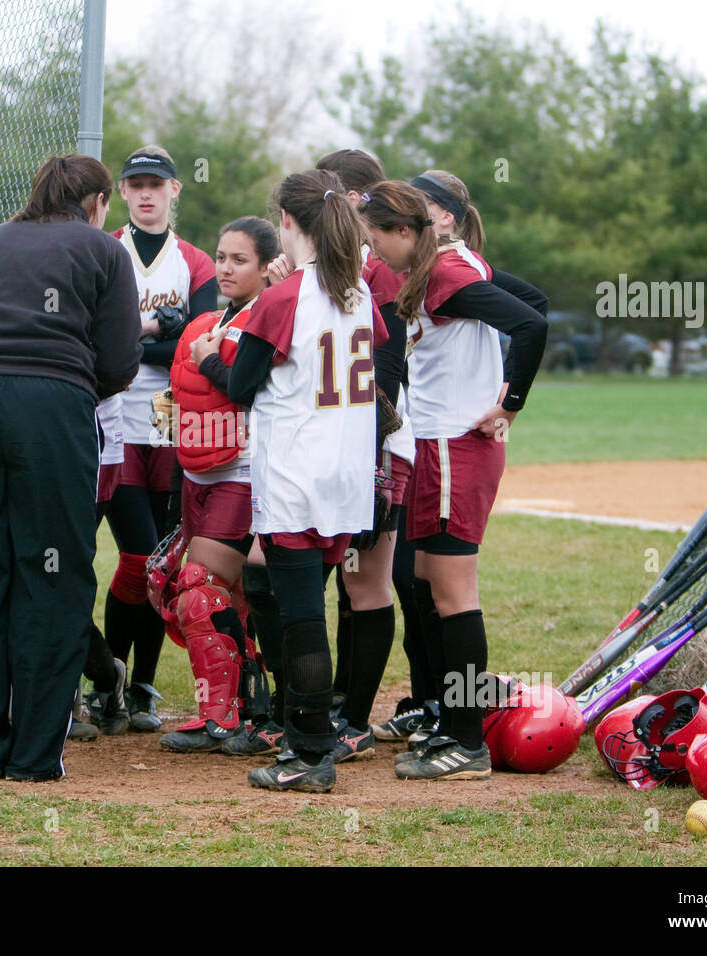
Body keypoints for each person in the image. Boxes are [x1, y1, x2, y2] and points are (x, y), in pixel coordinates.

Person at [0, 153, 141, 782]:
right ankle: (35, 754)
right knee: (51, 573)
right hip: (49, 408)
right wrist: (68, 385)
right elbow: (121, 358)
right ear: (98, 201)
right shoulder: (103, 250)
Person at [359, 175, 548, 781]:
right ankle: (448, 718)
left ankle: (467, 741)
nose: (376, 253)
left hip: (455, 448)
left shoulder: (446, 274)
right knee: (423, 585)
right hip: (436, 448)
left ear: (406, 231)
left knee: (451, 594)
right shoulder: (432, 268)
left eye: (378, 239)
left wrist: (509, 402)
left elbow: (531, 323)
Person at [227, 169, 386, 793]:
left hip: (296, 474)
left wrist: (214, 357)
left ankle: (310, 753)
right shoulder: (357, 294)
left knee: (301, 620)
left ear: (287, 223)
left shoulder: (285, 296)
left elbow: (240, 385)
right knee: (301, 603)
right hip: (346, 478)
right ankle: (309, 739)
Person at [103, 145, 217, 731]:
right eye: (135, 185)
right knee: (137, 556)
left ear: (176, 191)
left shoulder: (194, 261)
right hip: (116, 422)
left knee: (162, 564)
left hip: (174, 427)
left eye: (157, 185)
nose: (146, 194)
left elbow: (197, 342)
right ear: (123, 193)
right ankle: (107, 677)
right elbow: (101, 344)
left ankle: (140, 685)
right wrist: (151, 340)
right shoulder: (108, 252)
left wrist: (134, 341)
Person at [156, 216, 279, 754]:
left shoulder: (267, 316)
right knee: (210, 595)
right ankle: (242, 711)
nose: (226, 268)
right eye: (221, 257)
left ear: (265, 267)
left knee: (198, 591)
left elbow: (249, 389)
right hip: (197, 475)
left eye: (240, 260)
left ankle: (226, 716)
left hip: (242, 473)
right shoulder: (213, 318)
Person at [313, 149, 417, 760]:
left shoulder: (379, 272)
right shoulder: (332, 263)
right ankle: (336, 699)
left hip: (376, 445)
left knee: (366, 580)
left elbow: (391, 367)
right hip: (330, 444)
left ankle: (354, 715)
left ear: (352, 200)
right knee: (341, 577)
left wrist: (370, 445)